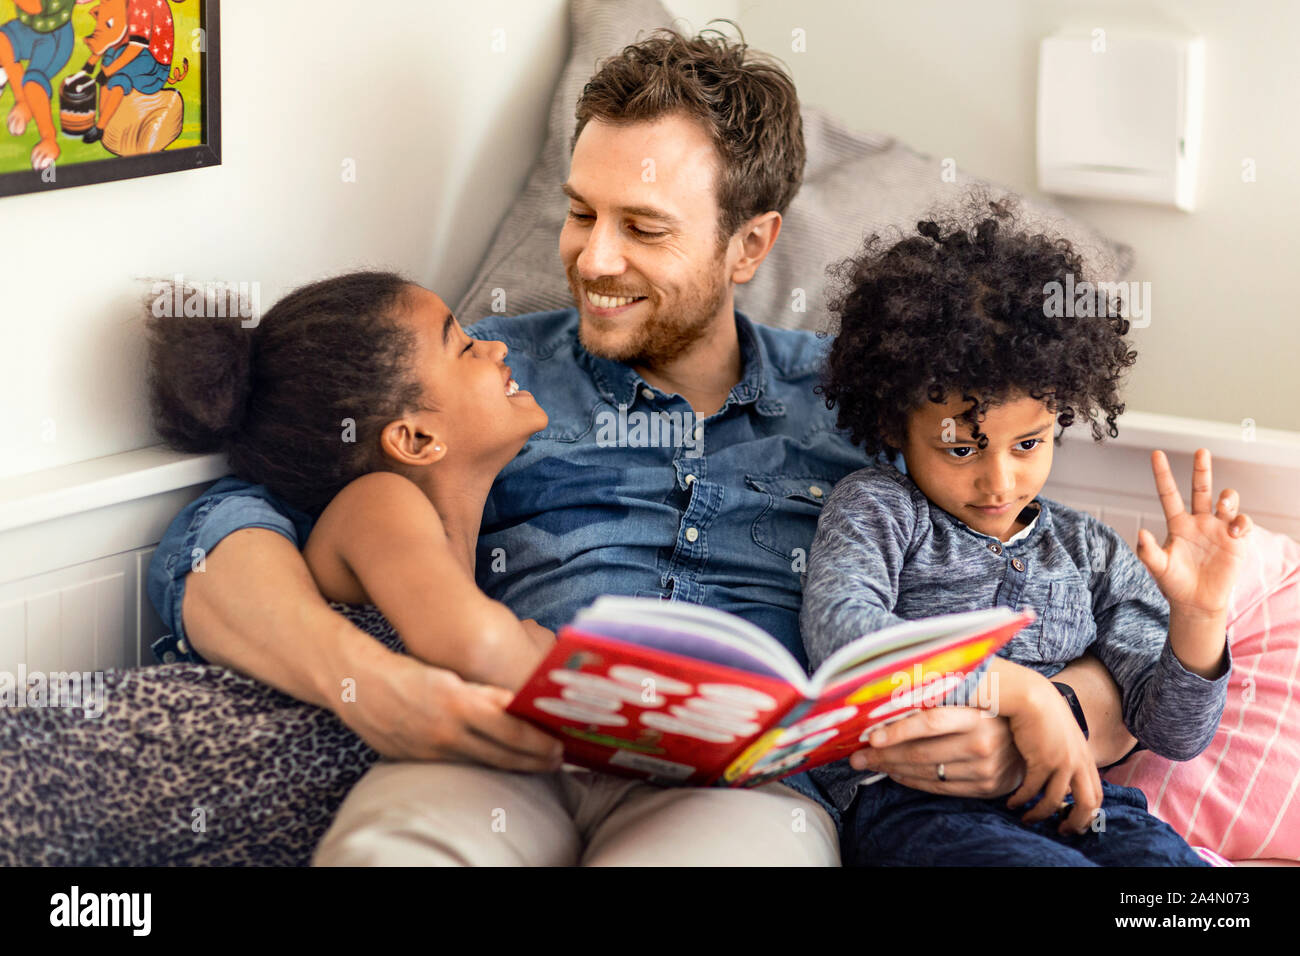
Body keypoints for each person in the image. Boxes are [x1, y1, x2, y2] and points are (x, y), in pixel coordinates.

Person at [149, 27, 1138, 866]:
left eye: (643, 227)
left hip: (742, 792)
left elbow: (1054, 585)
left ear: (748, 245)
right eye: (581, 213)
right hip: (500, 755)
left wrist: (1032, 717)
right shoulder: (488, 381)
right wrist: (371, 686)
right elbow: (213, 531)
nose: (593, 257)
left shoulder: (870, 401)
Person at [800, 196, 1251, 866]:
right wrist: (1018, 691)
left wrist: (1198, 619)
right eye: (962, 449)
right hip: (921, 809)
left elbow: (1171, 731)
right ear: (896, 425)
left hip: (1085, 802)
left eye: (1028, 444)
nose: (999, 483)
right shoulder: (876, 510)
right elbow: (845, 640)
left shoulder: (1088, 551)